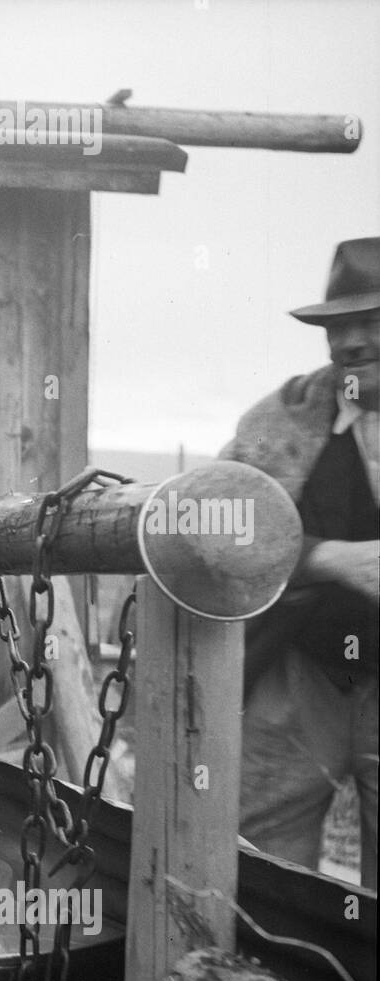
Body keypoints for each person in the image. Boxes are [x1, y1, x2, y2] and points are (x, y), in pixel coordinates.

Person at [220, 238, 379, 888]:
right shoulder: (278, 422)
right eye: (337, 326)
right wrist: (327, 558)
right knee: (260, 872)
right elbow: (217, 532)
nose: (351, 342)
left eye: (372, 322)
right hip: (295, 682)